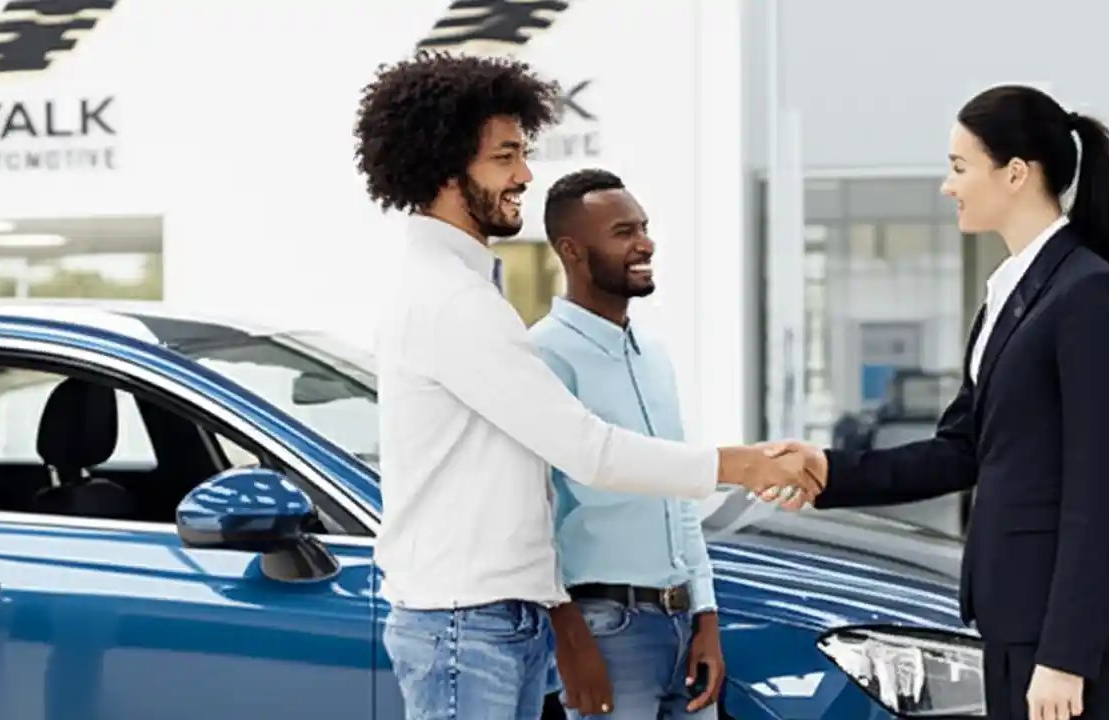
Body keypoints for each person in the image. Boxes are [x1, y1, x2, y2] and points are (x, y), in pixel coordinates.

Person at [352, 51, 821, 720]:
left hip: (490, 621)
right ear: (445, 165)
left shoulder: (464, 291)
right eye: (506, 157)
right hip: (465, 625)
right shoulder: (452, 303)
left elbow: (532, 489)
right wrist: (740, 464)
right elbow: (586, 450)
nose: (524, 174)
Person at [763, 84, 1109, 720]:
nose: (948, 186)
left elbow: (1100, 488)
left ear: (1017, 174)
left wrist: (1065, 656)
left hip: (1062, 631)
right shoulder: (1012, 292)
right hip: (1017, 612)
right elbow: (962, 450)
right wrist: (827, 469)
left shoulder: (1087, 294)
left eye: (959, 167)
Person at [530, 169, 725, 719]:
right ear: (572, 249)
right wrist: (570, 641)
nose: (645, 243)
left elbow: (680, 494)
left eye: (643, 226)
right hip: (606, 631)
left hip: (679, 625)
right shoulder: (543, 358)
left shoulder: (653, 356)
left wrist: (704, 614)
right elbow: (531, 515)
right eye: (623, 231)